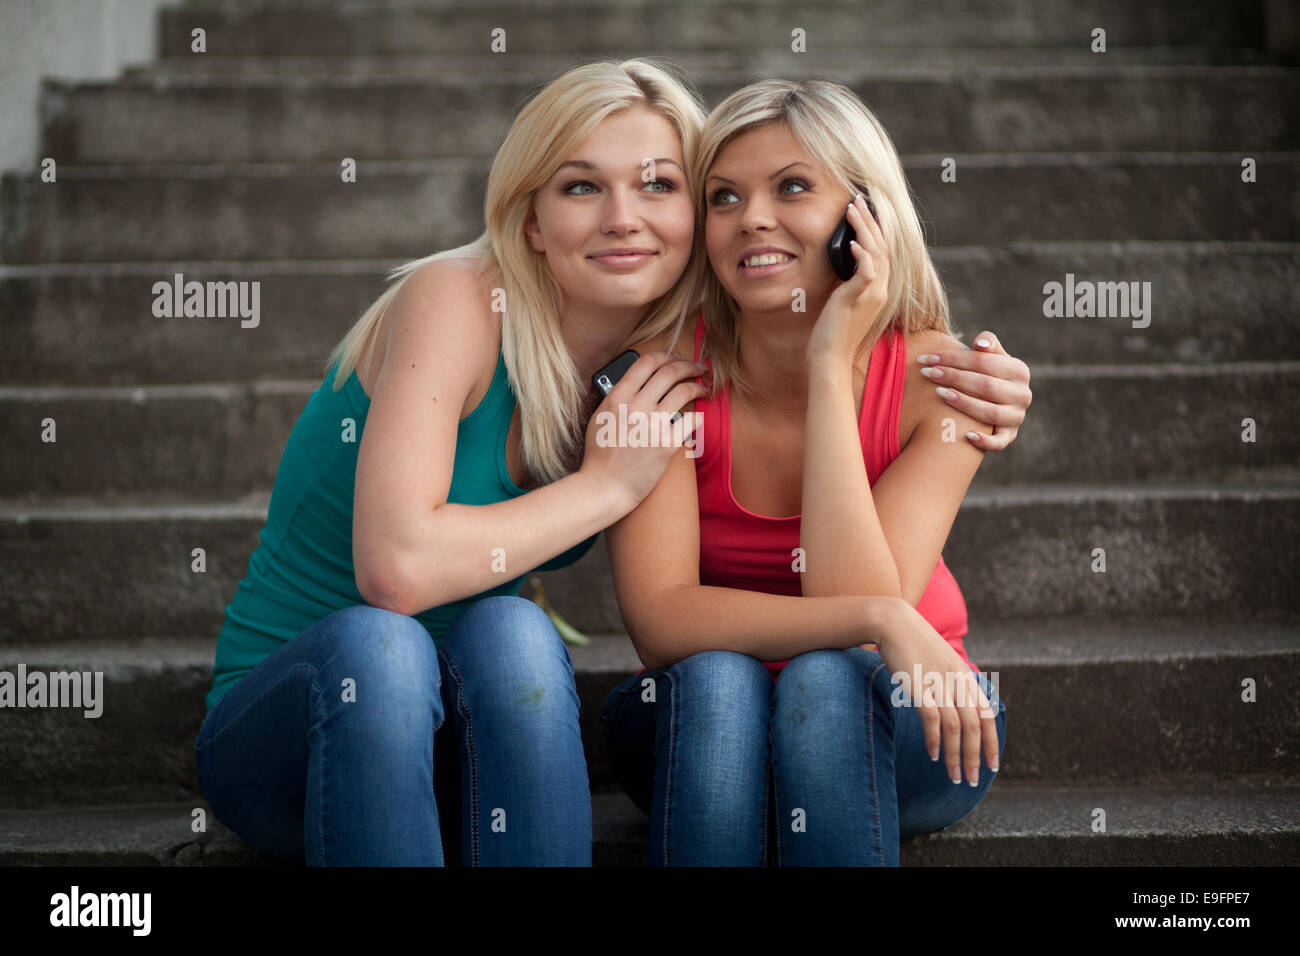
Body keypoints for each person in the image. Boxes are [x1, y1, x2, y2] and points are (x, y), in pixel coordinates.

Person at [194, 59, 713, 866]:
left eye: (657, 185)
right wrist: (606, 486)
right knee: (382, 645)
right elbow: (396, 573)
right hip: (303, 735)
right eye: (582, 187)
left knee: (515, 630)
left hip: (456, 741)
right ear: (532, 219)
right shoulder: (460, 297)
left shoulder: (664, 361)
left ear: (696, 210)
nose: (623, 218)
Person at [601, 78, 1032, 866]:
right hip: (704, 734)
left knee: (825, 682)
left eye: (792, 187)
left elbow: (854, 614)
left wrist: (829, 363)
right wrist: (884, 617)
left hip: (905, 722)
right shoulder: (660, 378)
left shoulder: (944, 382)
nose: (752, 217)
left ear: (865, 218)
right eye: (724, 197)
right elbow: (661, 620)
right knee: (719, 680)